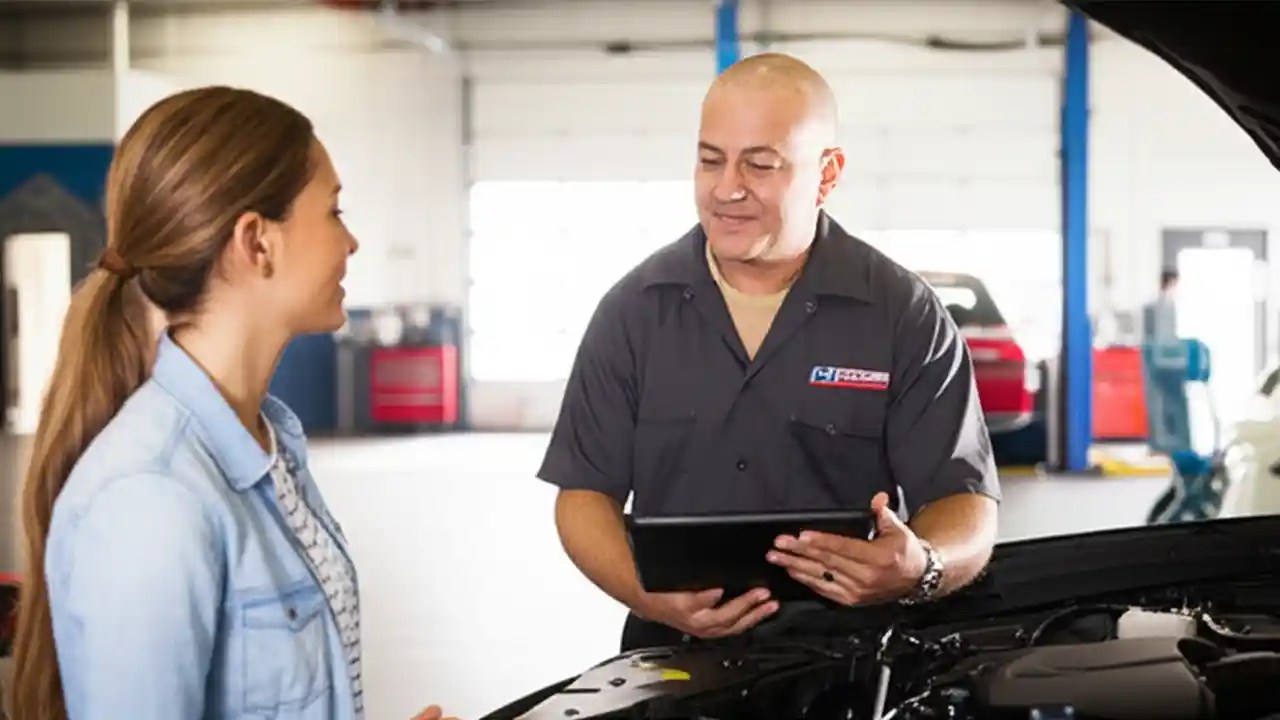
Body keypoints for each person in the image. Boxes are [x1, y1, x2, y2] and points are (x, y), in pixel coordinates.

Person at [8, 87, 456, 720]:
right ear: (257, 242)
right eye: (333, 211)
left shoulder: (270, 443)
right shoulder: (148, 498)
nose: (350, 242)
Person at [537, 53, 1001, 651]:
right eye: (710, 160)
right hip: (671, 655)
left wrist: (922, 566)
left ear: (827, 174)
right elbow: (582, 495)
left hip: (848, 661)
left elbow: (964, 501)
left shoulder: (901, 313)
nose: (727, 188)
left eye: (760, 164)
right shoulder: (635, 311)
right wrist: (646, 595)